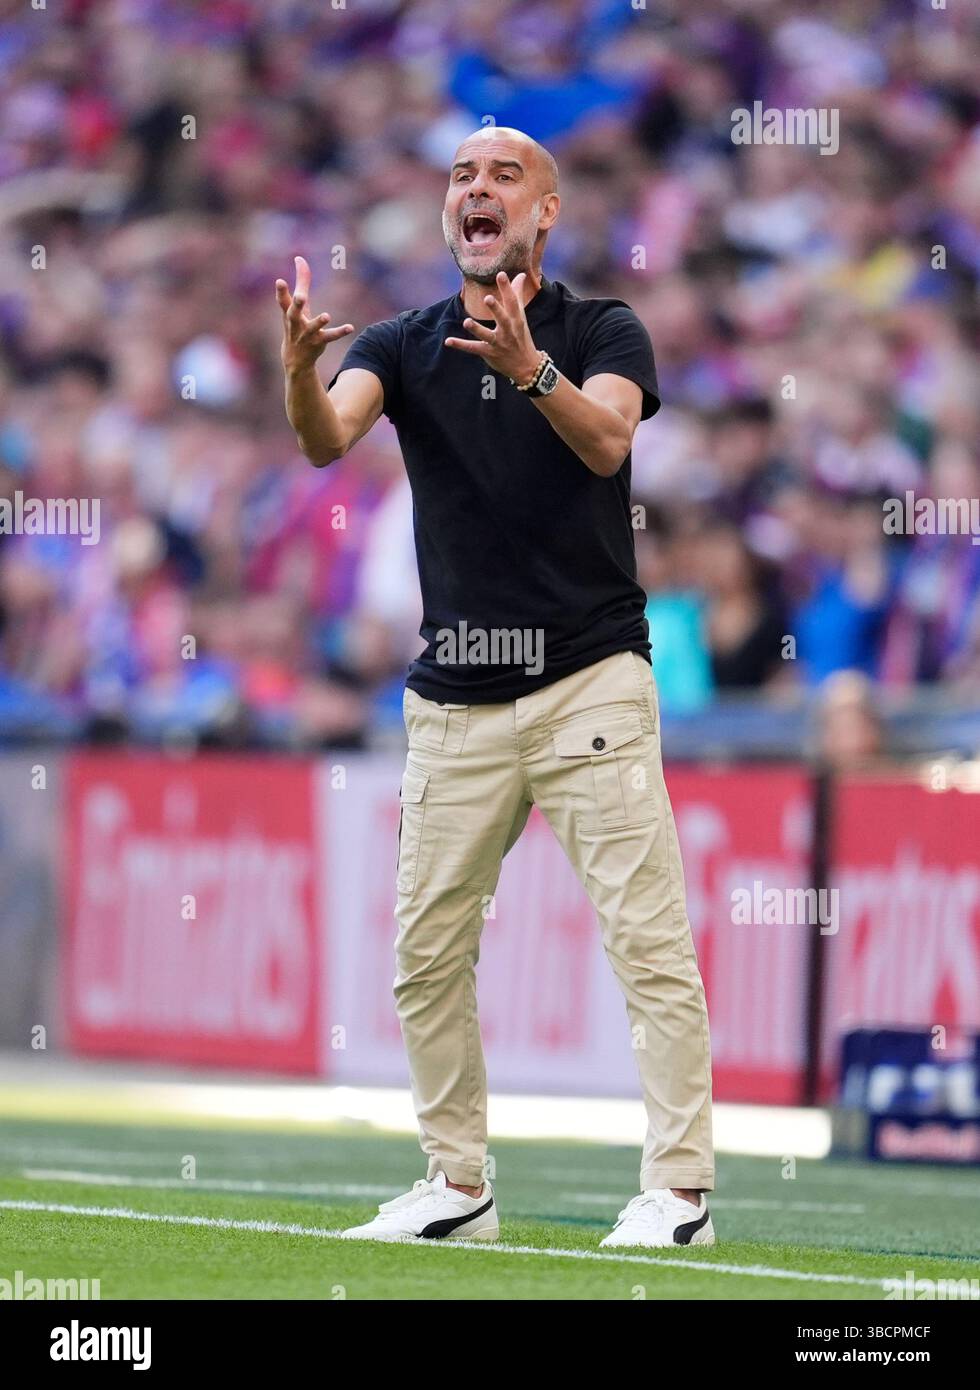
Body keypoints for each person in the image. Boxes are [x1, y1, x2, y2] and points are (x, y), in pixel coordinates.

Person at [275, 126, 714, 1249]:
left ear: (545, 212)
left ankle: (678, 1192)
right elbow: (328, 436)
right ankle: (455, 1182)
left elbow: (608, 441)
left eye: (504, 175)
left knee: (645, 939)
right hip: (454, 695)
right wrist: (293, 373)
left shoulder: (600, 327)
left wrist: (528, 371)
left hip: (587, 679)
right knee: (425, 952)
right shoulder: (402, 341)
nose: (478, 189)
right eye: (461, 176)